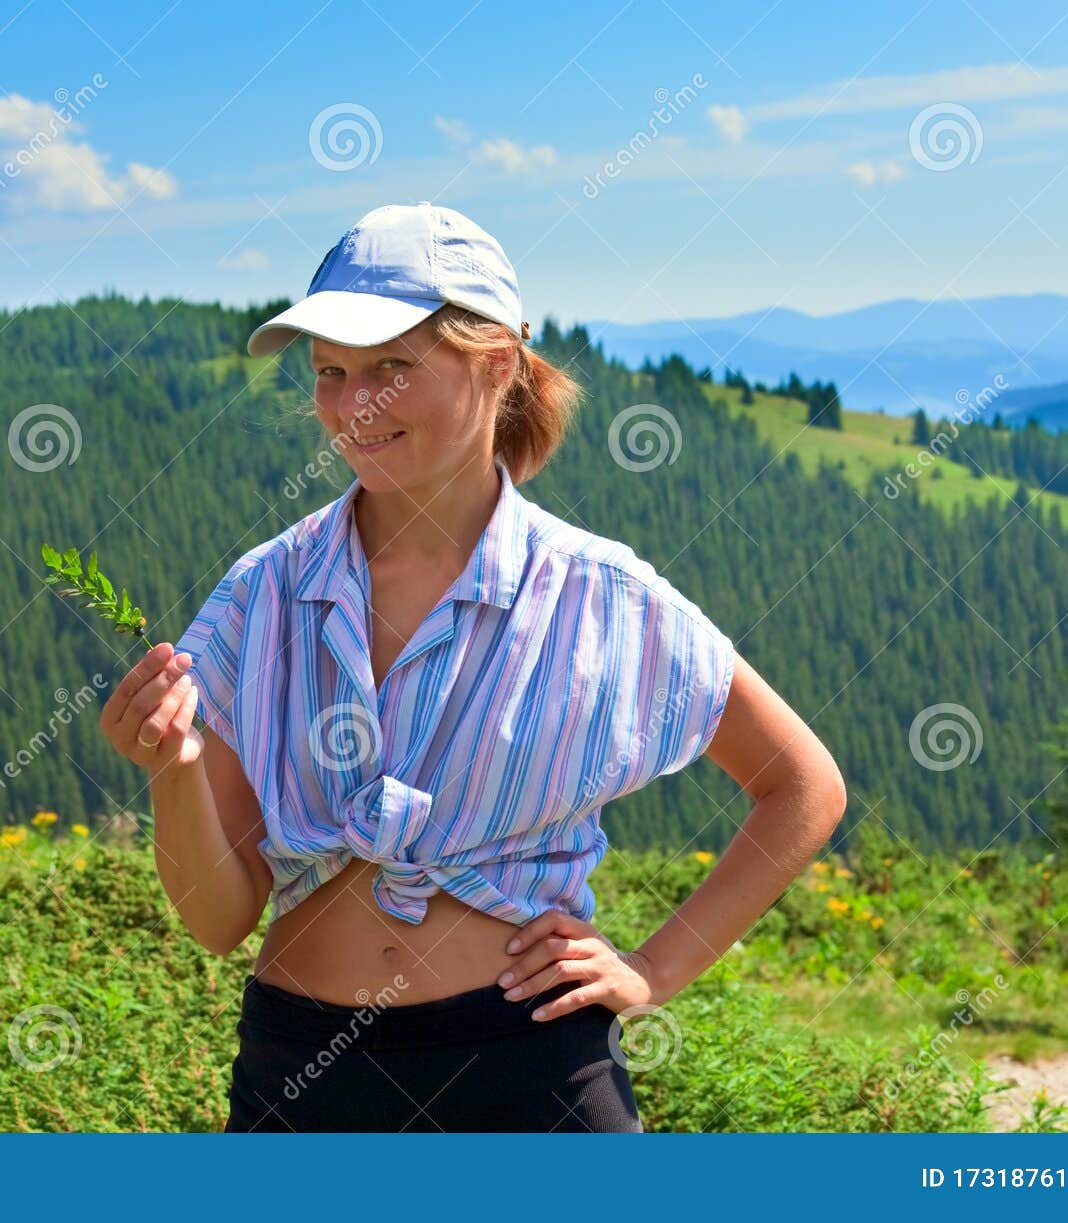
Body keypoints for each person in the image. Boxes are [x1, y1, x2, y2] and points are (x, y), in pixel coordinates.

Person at [99, 200, 846, 1132]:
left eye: (391, 367)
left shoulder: (601, 593)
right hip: (299, 1081)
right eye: (331, 372)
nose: (351, 404)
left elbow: (803, 784)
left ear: (496, 364)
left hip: (531, 1074)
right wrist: (171, 773)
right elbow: (219, 920)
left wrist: (652, 970)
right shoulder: (265, 592)